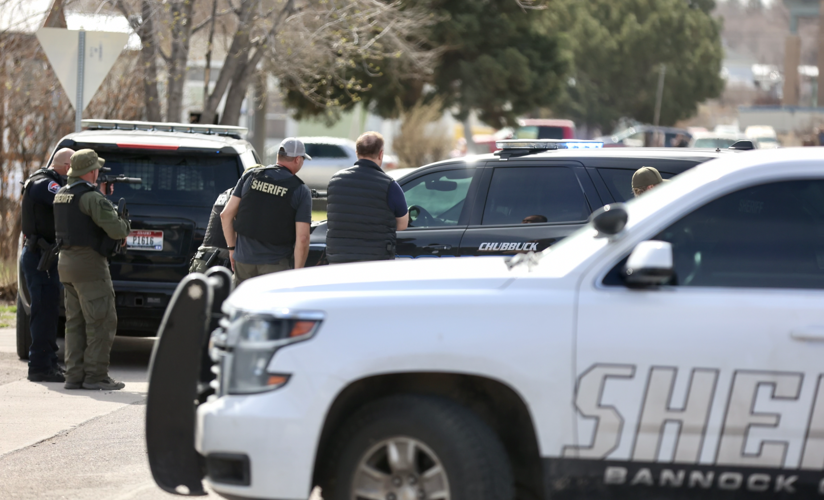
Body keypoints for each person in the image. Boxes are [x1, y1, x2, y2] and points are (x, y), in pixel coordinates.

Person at [54, 149, 131, 391]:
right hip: (89, 265)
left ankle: (74, 375)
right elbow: (118, 230)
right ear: (91, 171)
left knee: (74, 322)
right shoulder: (91, 197)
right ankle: (96, 376)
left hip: (66, 265)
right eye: (96, 168)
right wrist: (123, 221)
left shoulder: (62, 194)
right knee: (101, 321)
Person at [220, 140, 312, 286]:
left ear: (278, 156)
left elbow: (226, 215)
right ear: (297, 159)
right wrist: (297, 273)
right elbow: (303, 238)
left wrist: (232, 249)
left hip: (243, 261)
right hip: (275, 267)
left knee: (242, 307)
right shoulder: (300, 190)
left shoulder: (250, 175)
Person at [19, 148, 73, 382]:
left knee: (49, 313)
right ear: (66, 166)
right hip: (39, 257)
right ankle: (39, 367)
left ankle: (49, 362)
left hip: (46, 257)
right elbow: (63, 201)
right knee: (42, 314)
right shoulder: (43, 183)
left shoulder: (47, 181)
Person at [326, 132, 409, 264]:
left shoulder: (336, 180)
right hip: (374, 262)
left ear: (356, 152)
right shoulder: (390, 185)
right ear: (381, 154)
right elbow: (403, 224)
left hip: (339, 260)